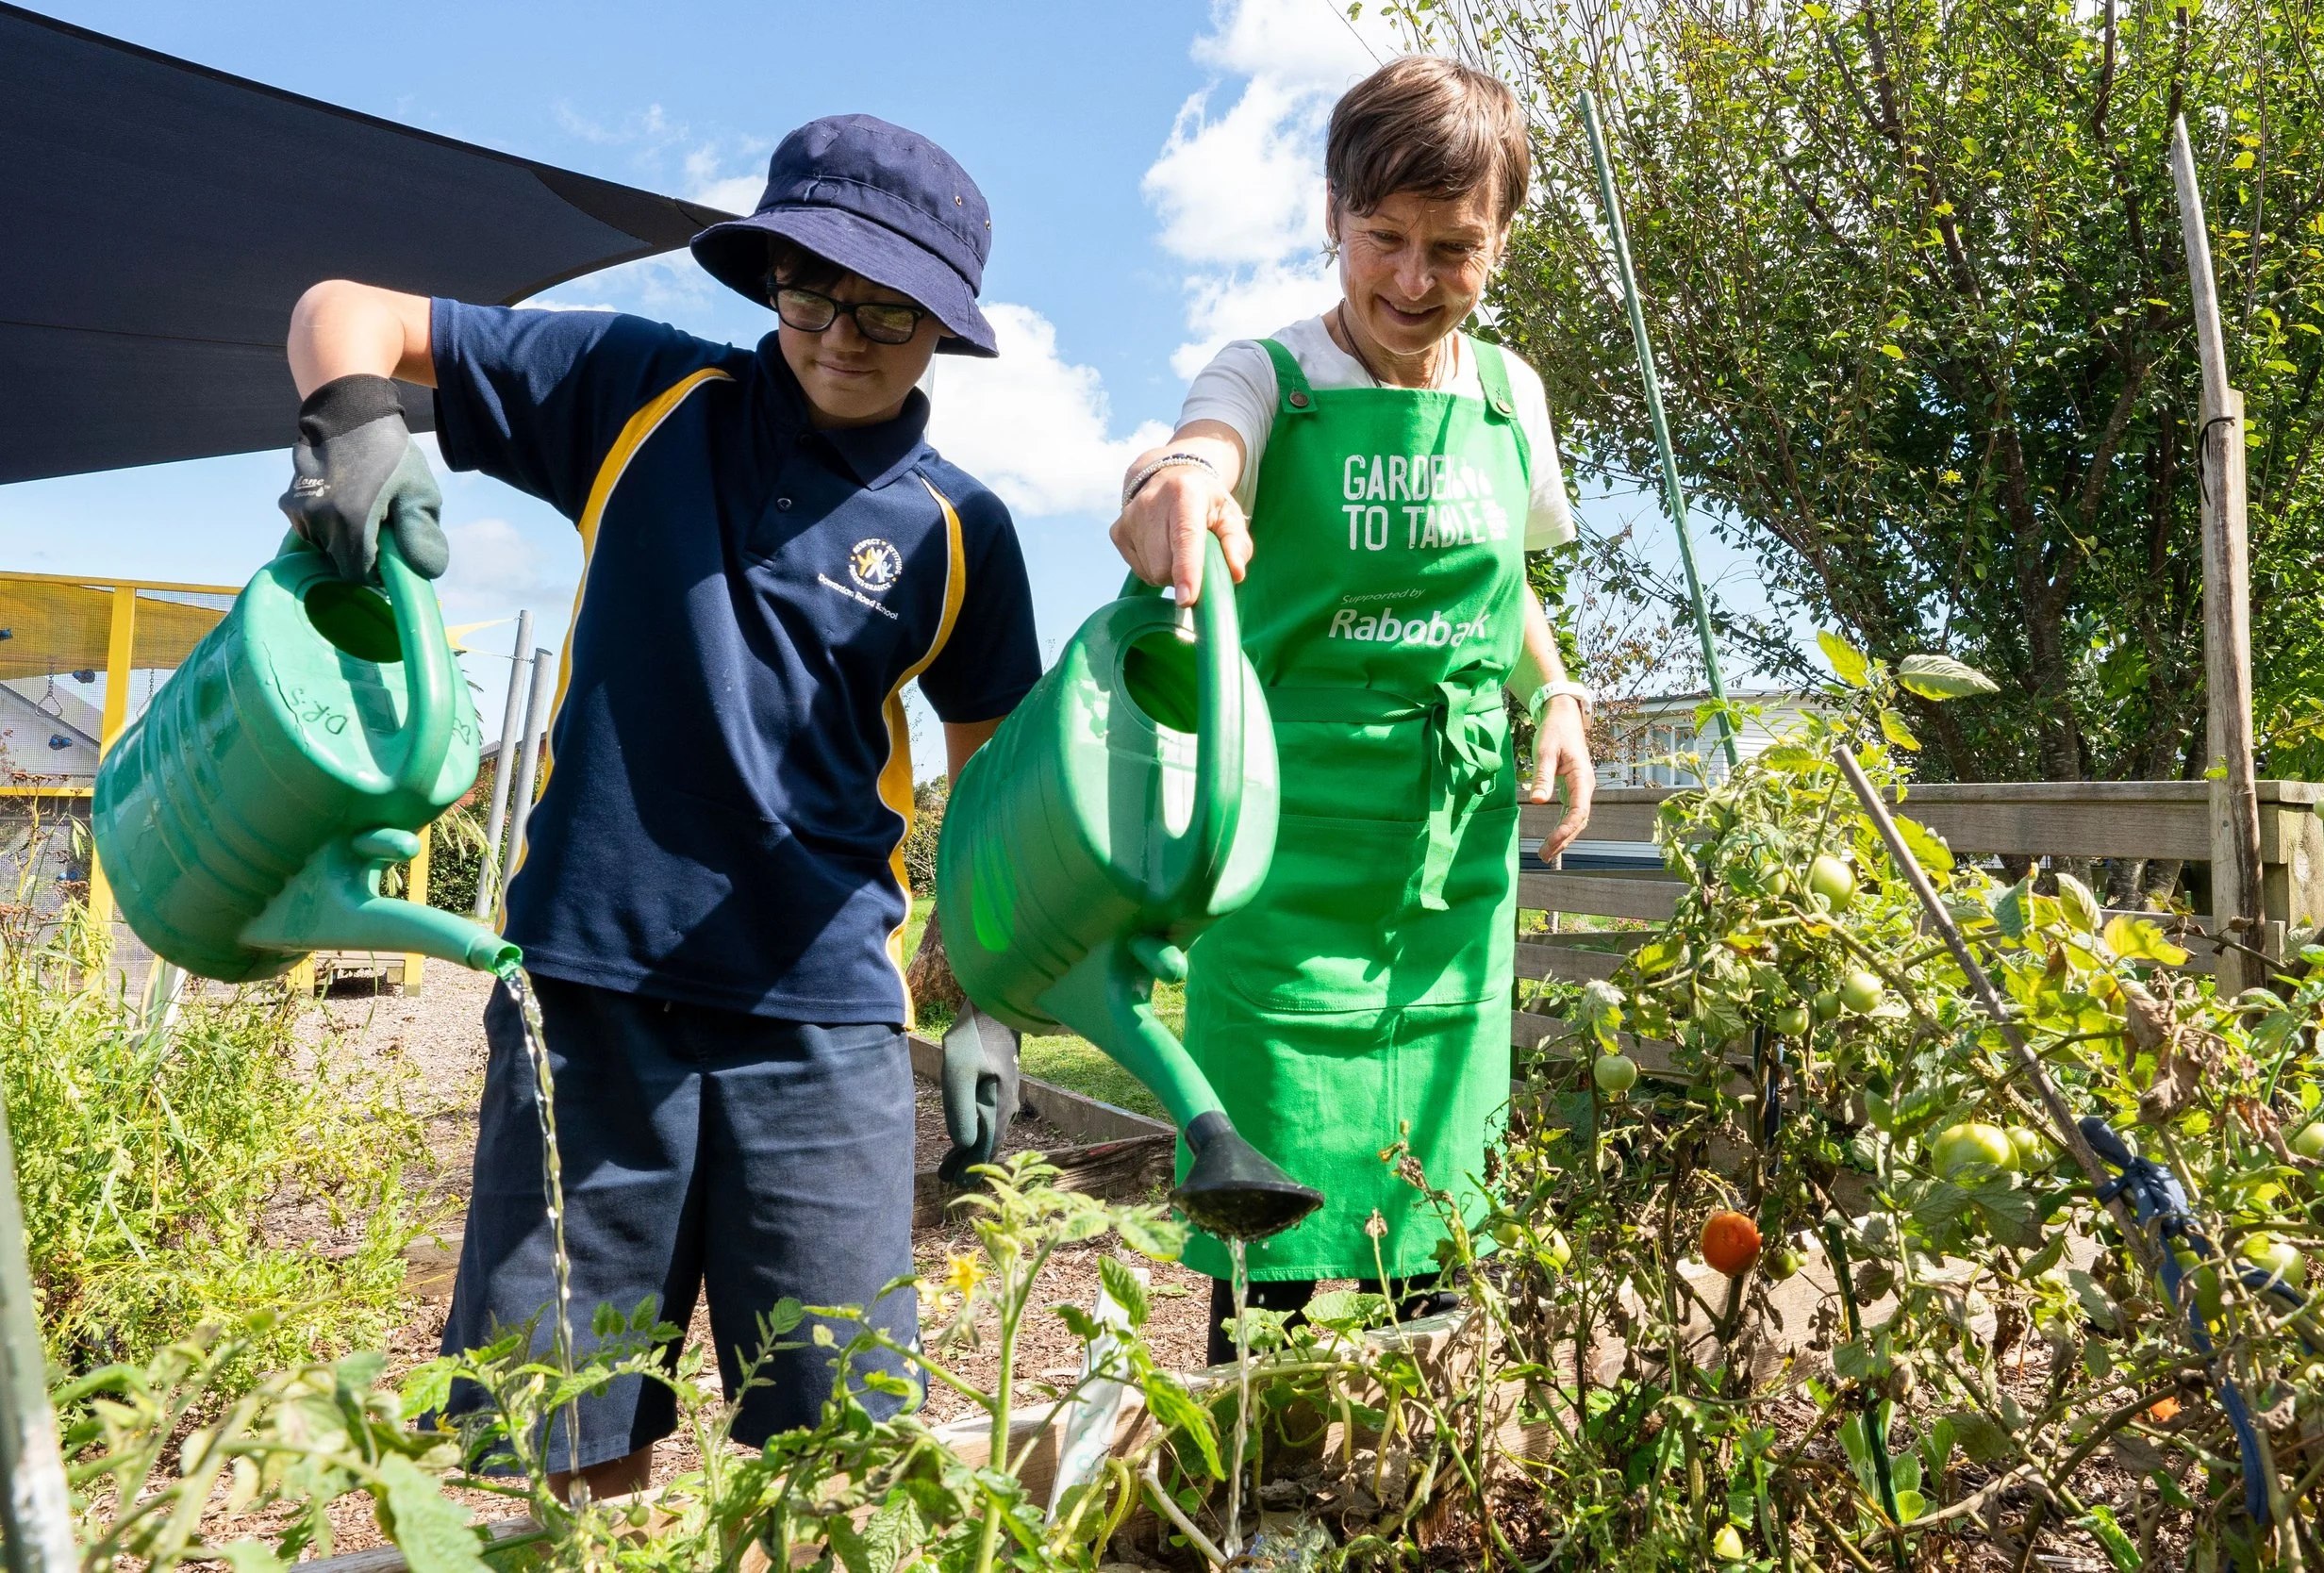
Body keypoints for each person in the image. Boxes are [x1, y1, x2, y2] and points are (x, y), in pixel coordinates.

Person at [280, 115, 1038, 1494]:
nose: (840, 333)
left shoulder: (960, 531)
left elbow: (995, 781)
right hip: (587, 991)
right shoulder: (643, 393)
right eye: (813, 288)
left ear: (943, 326)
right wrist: (352, 425)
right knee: (559, 1436)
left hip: (822, 1020)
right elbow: (349, 314)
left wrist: (985, 986)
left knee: (844, 1452)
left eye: (888, 308)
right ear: (769, 277)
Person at [1108, 57, 1596, 1361]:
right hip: (1278, 873)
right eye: (1384, 239)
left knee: (1430, 1242)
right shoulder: (1270, 376)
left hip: (1446, 882)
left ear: (1500, 243)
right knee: (1269, 1247)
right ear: (1333, 215)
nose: (1410, 282)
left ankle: (1408, 1510)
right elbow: (1199, 447)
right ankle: (1257, 1518)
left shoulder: (1510, 396)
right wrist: (1181, 482)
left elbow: (1510, 587)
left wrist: (1553, 691)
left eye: (1454, 249)